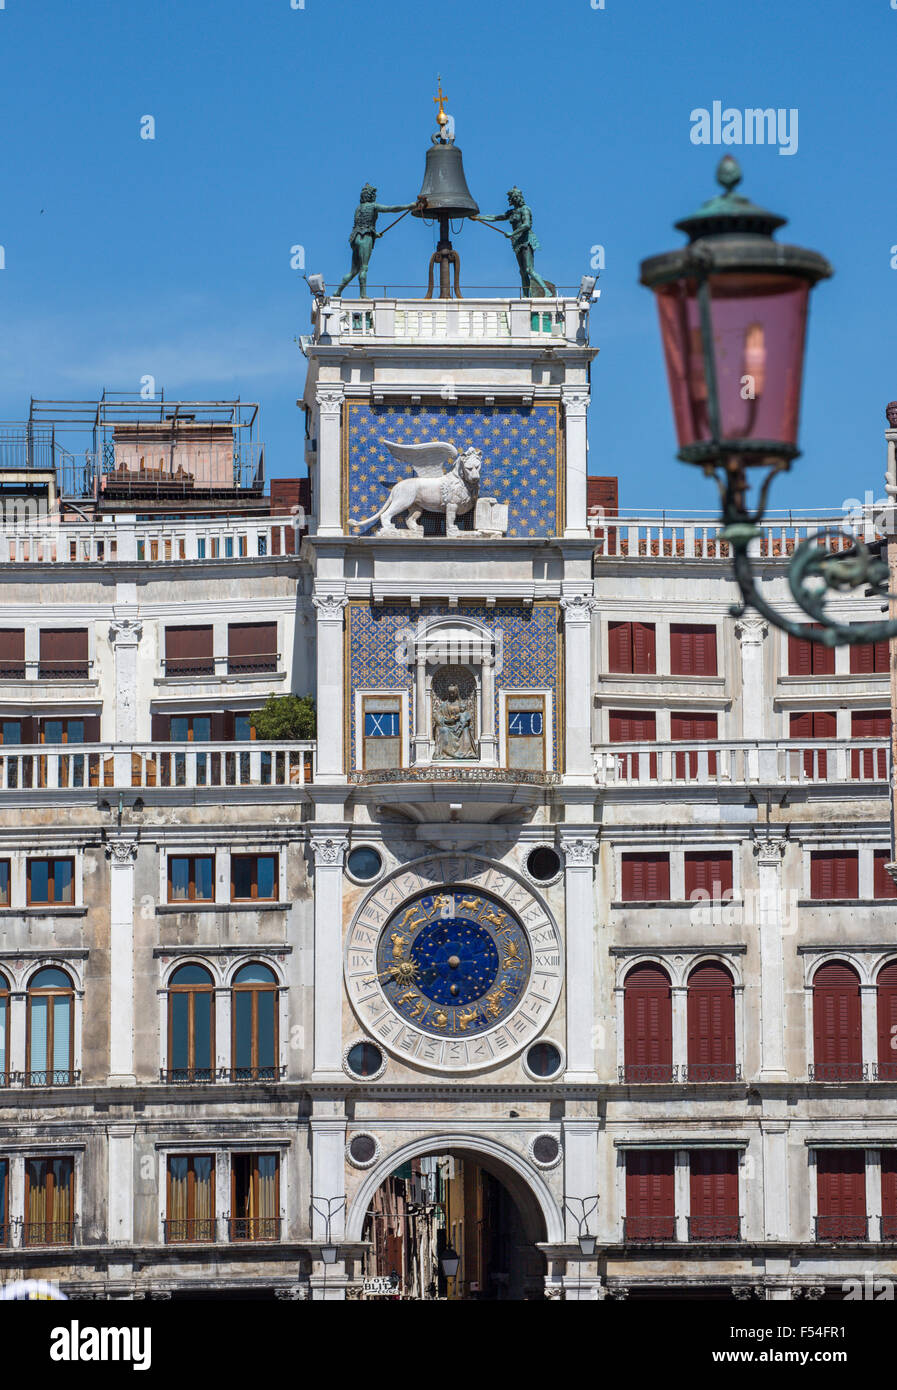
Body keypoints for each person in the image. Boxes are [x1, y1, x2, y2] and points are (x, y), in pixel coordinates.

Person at [336, 185, 424, 297]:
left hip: (355, 238)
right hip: (365, 237)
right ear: (371, 195)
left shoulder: (358, 208)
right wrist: (408, 206)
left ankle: (337, 291)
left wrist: (375, 234)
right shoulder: (373, 206)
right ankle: (363, 295)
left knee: (353, 271)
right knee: (364, 268)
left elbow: (359, 224)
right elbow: (391, 209)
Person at [477, 187, 552, 297]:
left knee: (529, 269)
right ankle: (527, 295)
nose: (511, 200)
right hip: (517, 242)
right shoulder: (512, 212)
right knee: (522, 272)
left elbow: (526, 225)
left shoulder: (525, 209)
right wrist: (478, 217)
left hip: (526, 241)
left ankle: (547, 291)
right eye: (511, 198)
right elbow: (495, 218)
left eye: (513, 198)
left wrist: (512, 234)